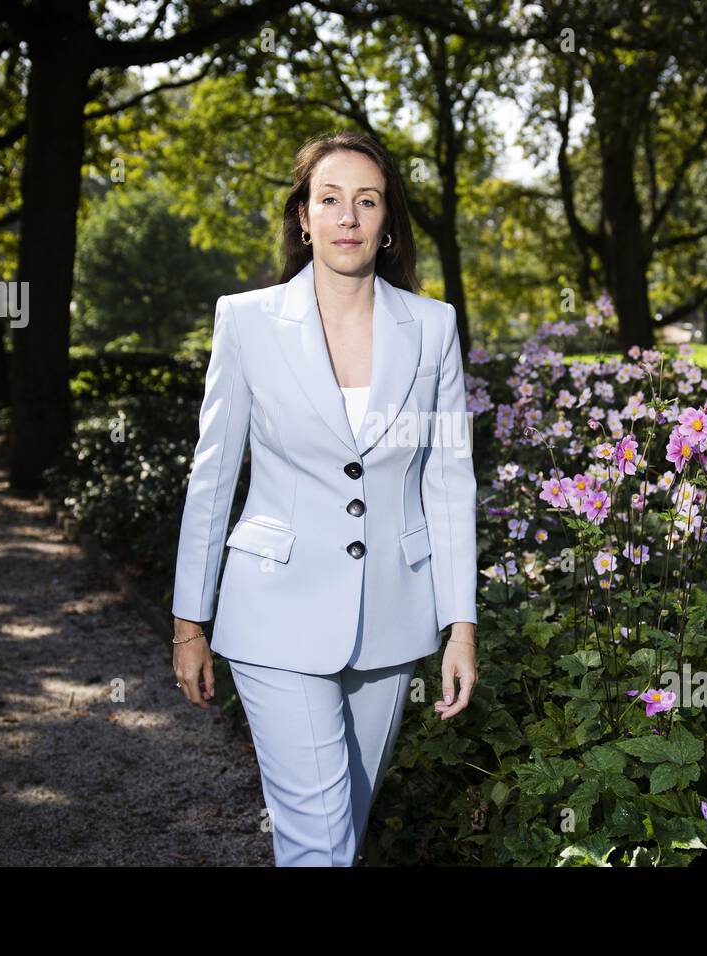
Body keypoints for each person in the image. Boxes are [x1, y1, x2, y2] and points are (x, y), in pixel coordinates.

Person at [170, 131, 479, 866]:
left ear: (388, 222)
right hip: (273, 611)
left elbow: (448, 482)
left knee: (343, 829)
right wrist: (190, 622)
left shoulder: (433, 329)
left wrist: (459, 626)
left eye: (366, 202)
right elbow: (213, 478)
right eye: (329, 200)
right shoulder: (245, 322)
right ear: (303, 218)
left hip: (393, 619)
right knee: (318, 841)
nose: (348, 217)